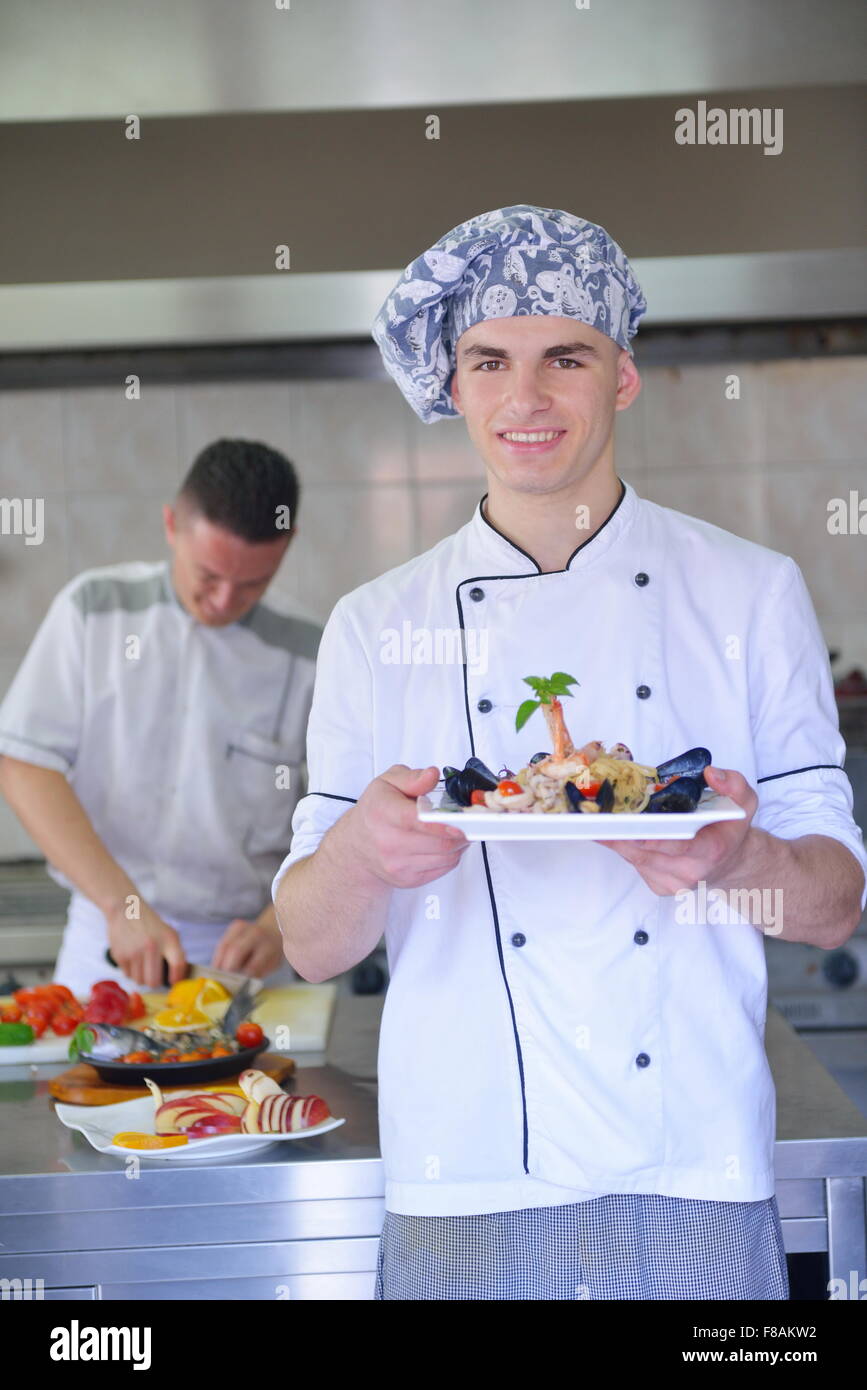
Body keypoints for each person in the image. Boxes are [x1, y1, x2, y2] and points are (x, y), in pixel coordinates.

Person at [272, 207, 867, 1300]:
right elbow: (310, 945)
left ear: (624, 378)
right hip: (465, 1180)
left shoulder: (748, 590)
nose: (527, 397)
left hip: (695, 1170)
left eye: (566, 357)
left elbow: (833, 907)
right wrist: (362, 852)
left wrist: (740, 865)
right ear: (453, 385)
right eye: (490, 360)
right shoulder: (374, 623)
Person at [0, 438, 320, 994]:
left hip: (251, 958)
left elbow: (339, 813)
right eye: (208, 575)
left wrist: (281, 925)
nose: (222, 600)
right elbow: (24, 765)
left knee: (264, 1086)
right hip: (110, 943)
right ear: (172, 525)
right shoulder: (93, 610)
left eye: (251, 585)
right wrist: (118, 903)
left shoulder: (310, 653)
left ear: (286, 545)